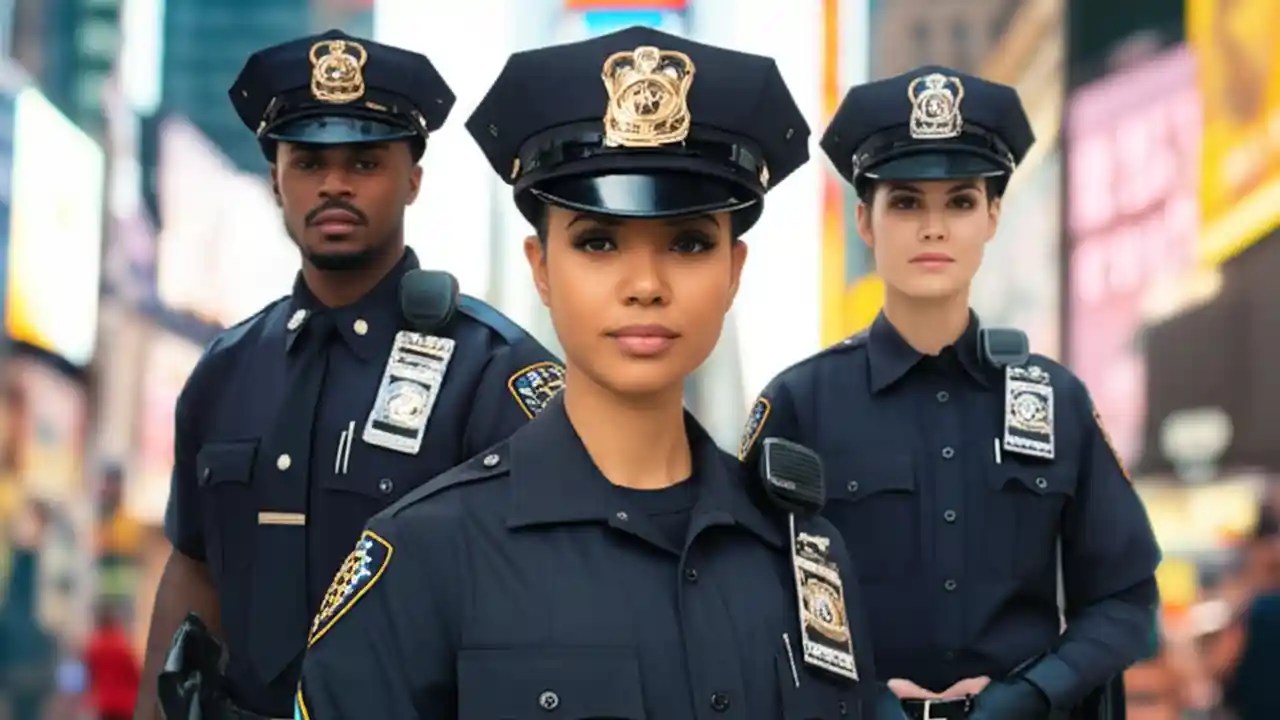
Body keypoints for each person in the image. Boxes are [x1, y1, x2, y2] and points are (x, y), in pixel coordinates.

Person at [297, 26, 888, 719]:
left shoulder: (805, 556)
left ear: (734, 271)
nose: (645, 284)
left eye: (690, 243)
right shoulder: (426, 556)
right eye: (599, 242)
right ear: (541, 267)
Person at [135, 29, 564, 719]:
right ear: (275, 178)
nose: (333, 184)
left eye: (364, 162)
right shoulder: (223, 372)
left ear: (413, 179)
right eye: (307, 162)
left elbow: (549, 604)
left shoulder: (492, 372)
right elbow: (193, 570)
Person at [739, 66, 1161, 720]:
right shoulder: (801, 404)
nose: (933, 227)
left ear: (993, 216)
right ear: (865, 221)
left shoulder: (1057, 401)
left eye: (960, 201)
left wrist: (1032, 695)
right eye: (906, 201)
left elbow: (1125, 599)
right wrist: (862, 703)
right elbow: (745, 599)